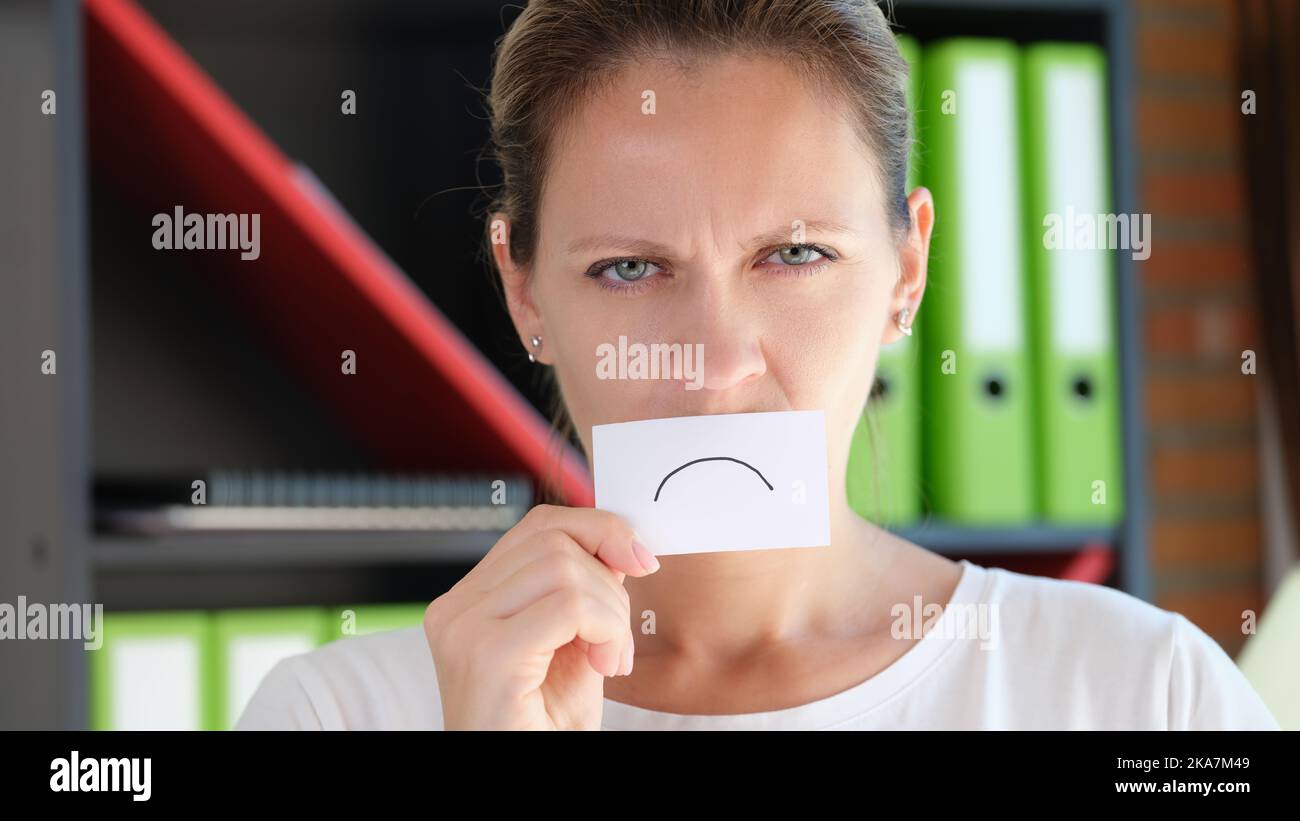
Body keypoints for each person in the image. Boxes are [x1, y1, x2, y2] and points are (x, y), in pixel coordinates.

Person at [236, 0, 1278, 730]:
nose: (714, 361)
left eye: (793, 254)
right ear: (524, 290)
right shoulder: (342, 713)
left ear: (905, 273)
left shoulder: (1144, 693)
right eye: (631, 266)